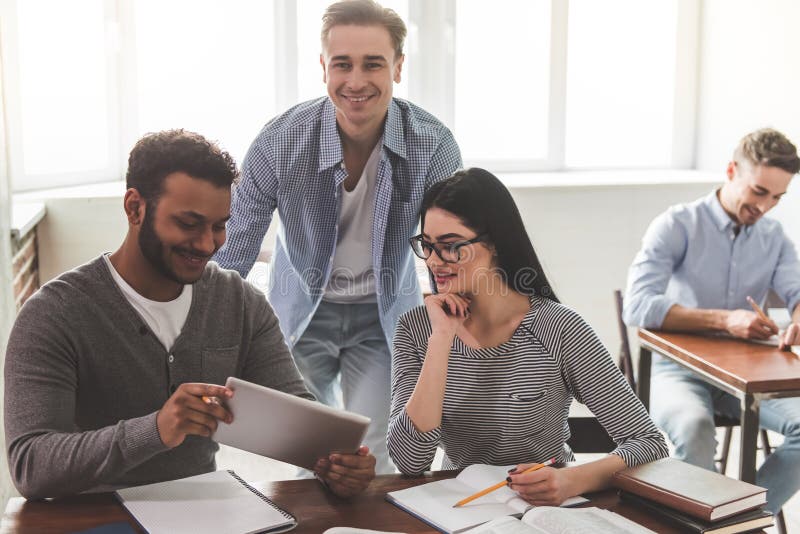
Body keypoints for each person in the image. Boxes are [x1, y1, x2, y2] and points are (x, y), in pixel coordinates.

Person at [4, 130, 375, 500]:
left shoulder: (239, 302)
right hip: (94, 517)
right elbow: (31, 466)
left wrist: (336, 463)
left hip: (201, 514)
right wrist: (155, 430)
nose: (207, 244)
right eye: (188, 223)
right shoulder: (55, 314)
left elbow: (300, 421)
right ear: (135, 208)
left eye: (219, 225)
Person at [213, 0, 461, 474]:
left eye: (373, 64)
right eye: (342, 64)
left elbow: (450, 249)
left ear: (399, 68)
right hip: (301, 310)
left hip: (385, 315)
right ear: (323, 67)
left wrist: (456, 338)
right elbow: (235, 250)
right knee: (308, 454)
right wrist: (212, 337)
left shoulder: (433, 143)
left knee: (377, 454)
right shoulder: (280, 141)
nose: (356, 81)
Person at [387, 168, 667, 504]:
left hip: (548, 508)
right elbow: (409, 460)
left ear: (494, 244)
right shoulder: (418, 329)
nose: (433, 261)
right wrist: (441, 339)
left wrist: (569, 481)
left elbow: (649, 443)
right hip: (460, 507)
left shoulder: (560, 328)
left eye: (451, 247)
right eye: (427, 246)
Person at [623, 128, 800, 513]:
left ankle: (739, 520)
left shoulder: (775, 238)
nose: (766, 206)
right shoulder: (678, 224)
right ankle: (714, 520)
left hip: (746, 373)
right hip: (676, 370)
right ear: (732, 170)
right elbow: (636, 306)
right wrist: (726, 320)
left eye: (777, 197)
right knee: (694, 429)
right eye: (759, 192)